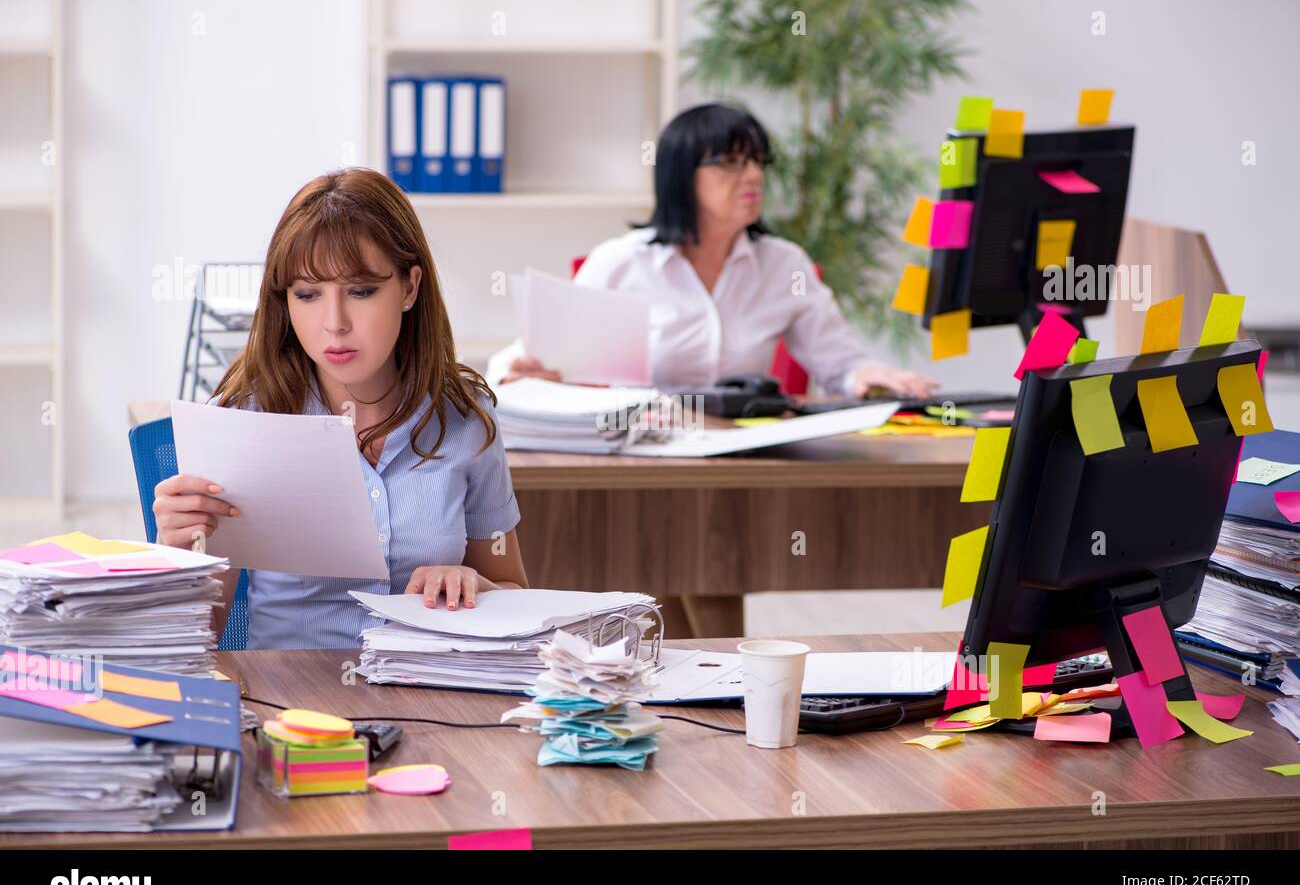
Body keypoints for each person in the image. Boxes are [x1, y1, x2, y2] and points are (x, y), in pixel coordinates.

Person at [152, 168, 528, 650]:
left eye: (361, 291)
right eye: (307, 295)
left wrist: (478, 587)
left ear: (410, 288)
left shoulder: (466, 422)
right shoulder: (244, 421)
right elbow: (194, 643)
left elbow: (517, 595)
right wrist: (176, 554)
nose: (334, 324)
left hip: (434, 696)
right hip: (293, 709)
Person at [490, 103, 937, 398]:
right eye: (731, 163)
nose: (754, 177)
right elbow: (522, 360)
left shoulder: (784, 266)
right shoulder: (623, 263)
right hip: (637, 453)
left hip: (748, 456)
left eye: (758, 162)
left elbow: (841, 364)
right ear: (681, 175)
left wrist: (872, 377)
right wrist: (519, 375)